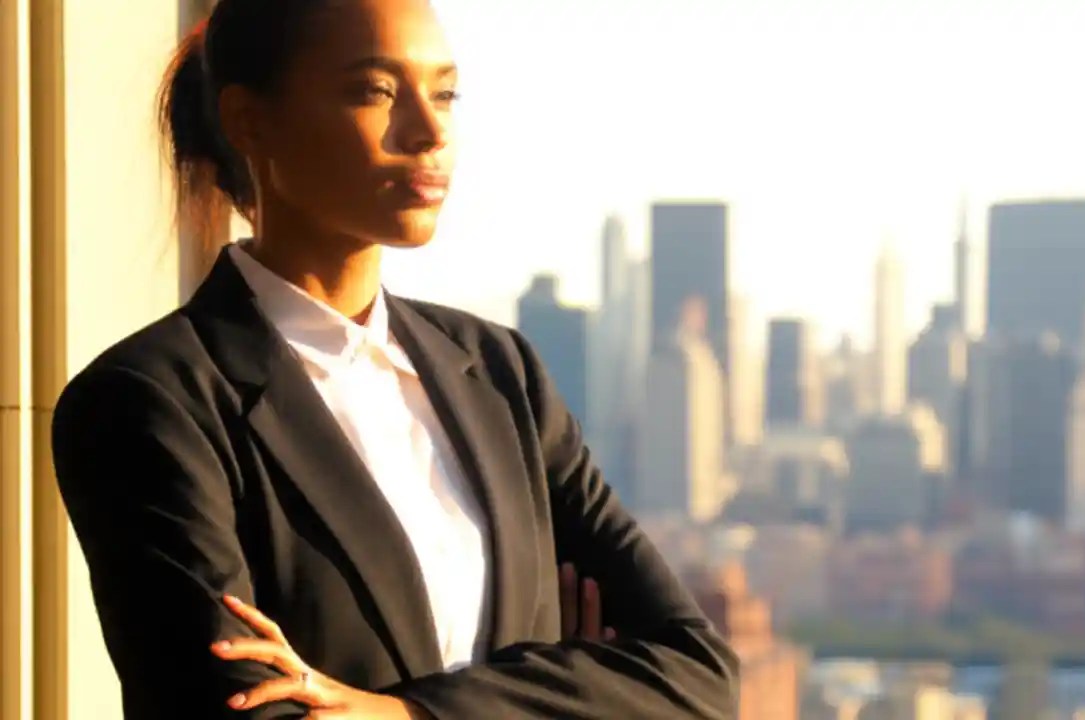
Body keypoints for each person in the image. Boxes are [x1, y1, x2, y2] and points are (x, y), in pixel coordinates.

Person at [49, 0, 738, 718]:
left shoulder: (501, 375)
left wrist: (402, 714)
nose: (430, 132)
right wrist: (570, 684)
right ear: (250, 121)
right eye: (375, 92)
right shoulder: (152, 401)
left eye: (444, 94)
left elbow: (696, 674)